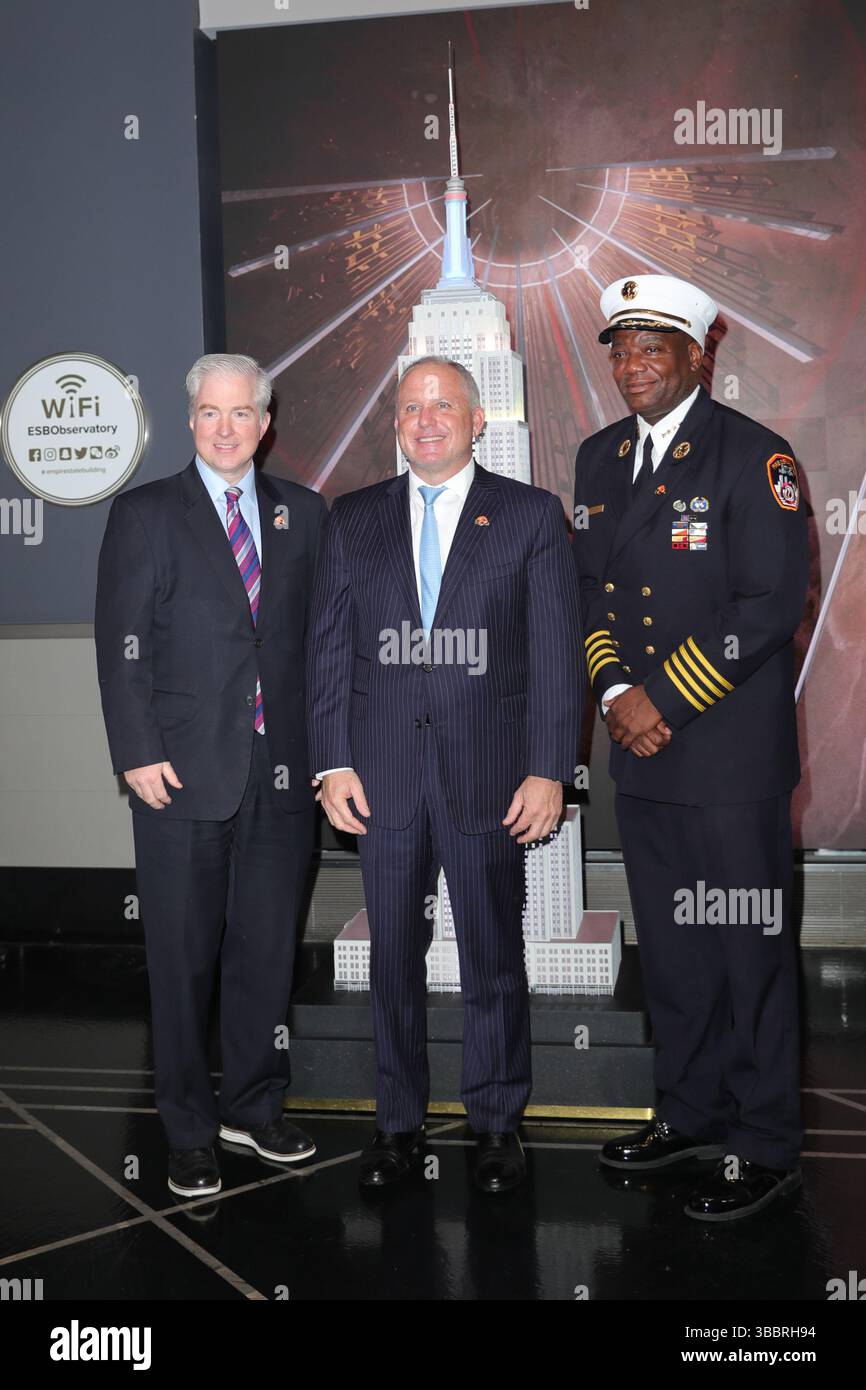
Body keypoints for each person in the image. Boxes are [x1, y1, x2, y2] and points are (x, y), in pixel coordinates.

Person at [307, 356, 581, 1193]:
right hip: (381, 776)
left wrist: (550, 771)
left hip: (490, 776)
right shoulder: (352, 518)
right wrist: (329, 761)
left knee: (494, 957)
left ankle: (497, 1124)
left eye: (443, 405)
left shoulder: (532, 516)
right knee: (392, 957)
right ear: (396, 421)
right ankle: (397, 1126)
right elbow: (326, 649)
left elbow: (556, 654)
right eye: (410, 406)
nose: (425, 419)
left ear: (477, 420)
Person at [573, 275, 808, 1221]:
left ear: (696, 356)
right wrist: (616, 693)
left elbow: (768, 608)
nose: (632, 364)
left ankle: (764, 1140)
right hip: (646, 754)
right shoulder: (598, 460)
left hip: (729, 761)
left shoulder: (756, 458)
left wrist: (660, 697)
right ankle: (690, 1112)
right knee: (673, 952)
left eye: (652, 346)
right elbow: (592, 596)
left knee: (747, 950)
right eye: (620, 348)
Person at [95, 353, 326, 1198]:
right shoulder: (147, 513)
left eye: (242, 414)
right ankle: (188, 1128)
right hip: (179, 774)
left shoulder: (305, 514)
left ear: (265, 425)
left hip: (280, 774)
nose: (226, 428)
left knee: (265, 957)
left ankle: (255, 1109)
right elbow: (121, 646)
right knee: (183, 958)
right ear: (190, 420)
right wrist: (135, 750)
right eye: (210, 413)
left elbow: (318, 648)